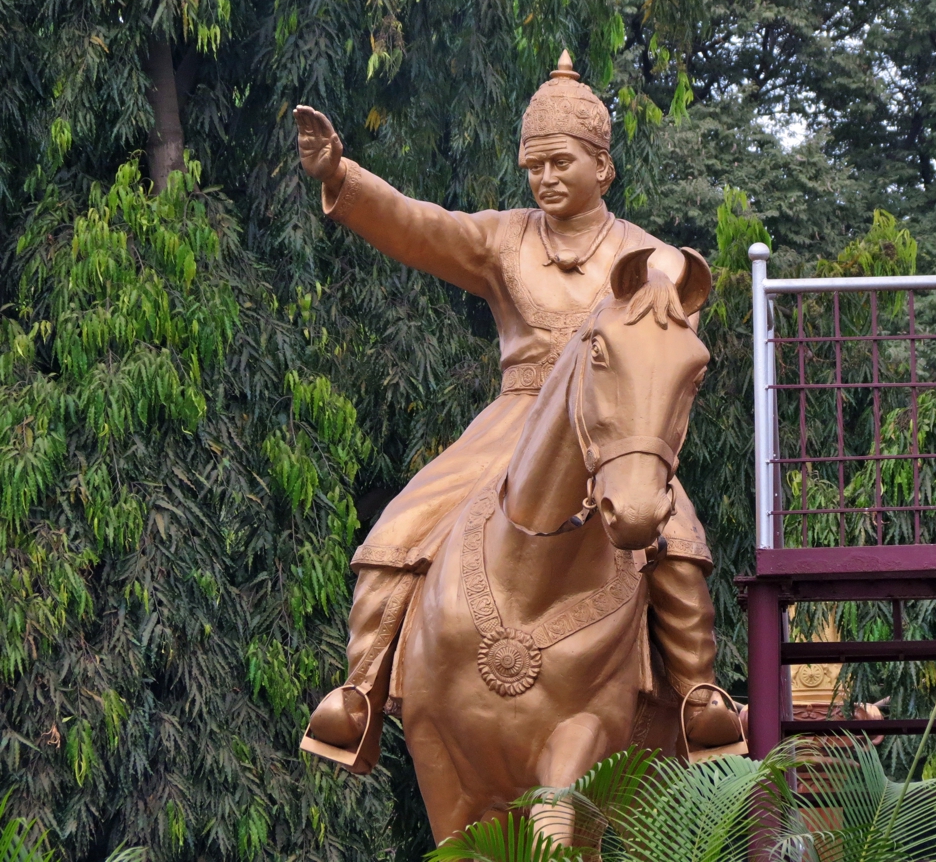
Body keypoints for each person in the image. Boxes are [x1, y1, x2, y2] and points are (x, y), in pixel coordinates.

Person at [295, 51, 742, 773]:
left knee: (677, 537)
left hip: (609, 432)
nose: (546, 177)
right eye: (534, 165)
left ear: (604, 166)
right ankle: (360, 689)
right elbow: (419, 225)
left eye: (561, 161)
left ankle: (697, 698)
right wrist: (342, 177)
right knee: (399, 529)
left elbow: (674, 312)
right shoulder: (503, 238)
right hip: (516, 421)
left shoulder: (644, 253)